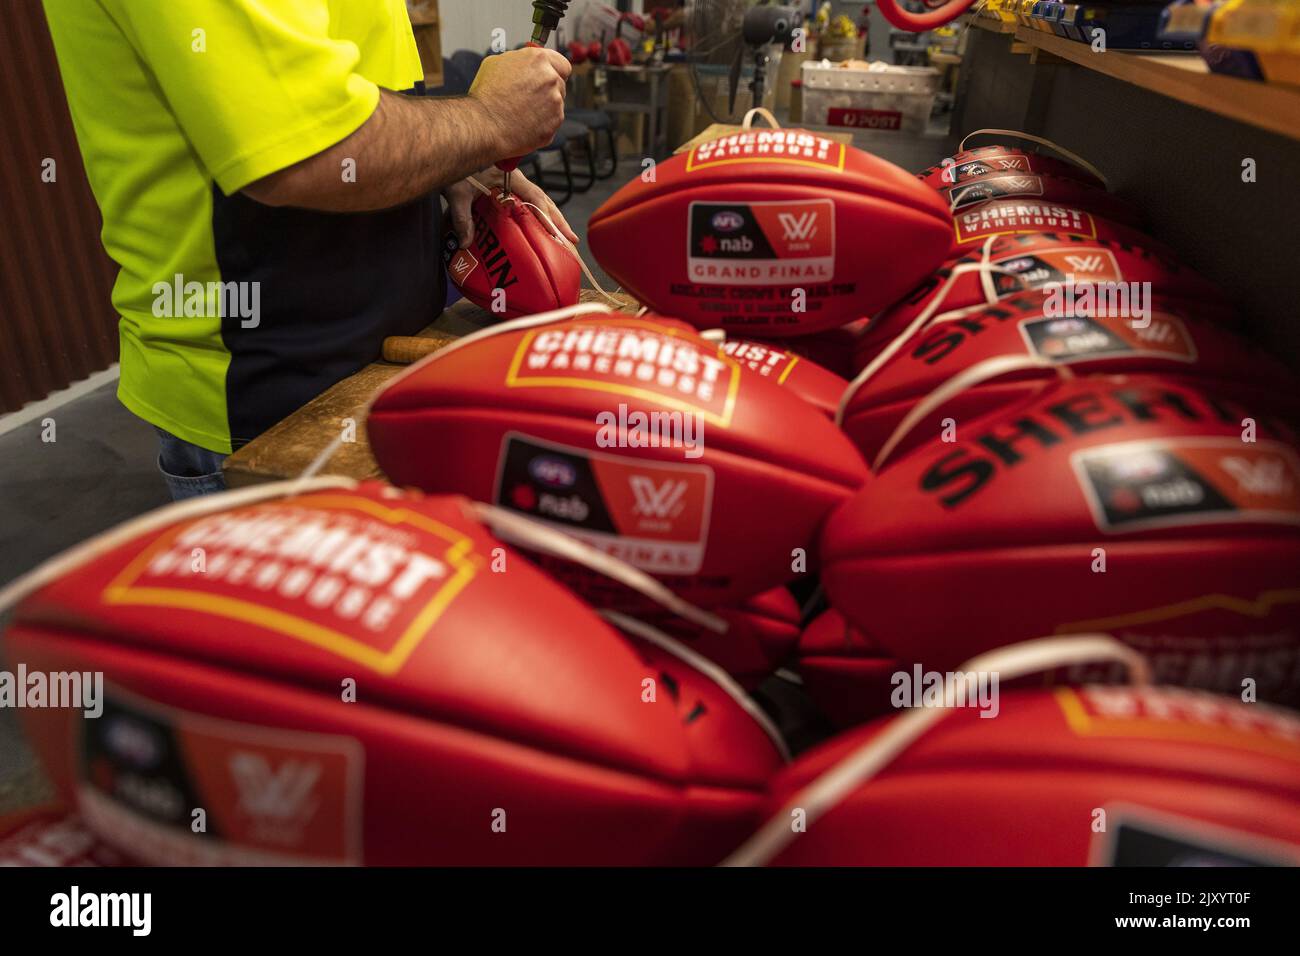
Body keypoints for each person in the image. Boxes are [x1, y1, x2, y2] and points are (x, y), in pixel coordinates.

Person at [41, 0, 576, 499]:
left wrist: (450, 160)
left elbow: (357, 97)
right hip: (265, 389)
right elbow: (306, 151)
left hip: (386, 351)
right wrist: (486, 121)